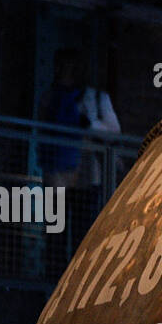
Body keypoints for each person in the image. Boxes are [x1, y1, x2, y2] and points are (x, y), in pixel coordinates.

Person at [39, 49, 121, 266]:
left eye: (70, 68)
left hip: (85, 174)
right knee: (55, 233)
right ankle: (53, 278)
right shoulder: (50, 97)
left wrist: (90, 124)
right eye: (62, 68)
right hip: (57, 173)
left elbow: (114, 131)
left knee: (81, 233)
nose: (66, 73)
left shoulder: (95, 98)